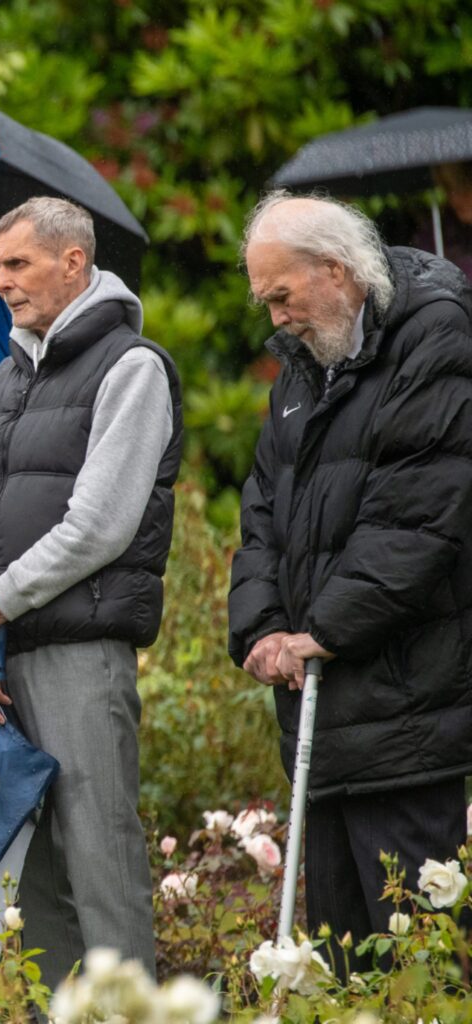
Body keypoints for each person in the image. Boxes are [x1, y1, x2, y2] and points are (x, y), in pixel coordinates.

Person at [0, 196, 181, 985]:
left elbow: (100, 525)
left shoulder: (133, 368)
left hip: (79, 650)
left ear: (74, 262)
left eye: (17, 264)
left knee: (98, 856)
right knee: (24, 868)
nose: (0, 281)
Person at [230, 193, 472, 967]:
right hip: (318, 701)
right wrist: (262, 627)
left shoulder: (434, 333)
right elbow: (262, 506)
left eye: (281, 295)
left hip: (407, 703)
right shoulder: (306, 364)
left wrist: (323, 630)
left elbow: (417, 514)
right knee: (341, 959)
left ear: (335, 271)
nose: (275, 318)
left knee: (416, 959)